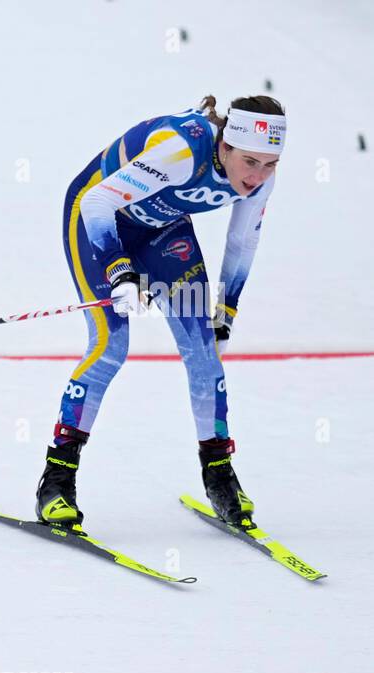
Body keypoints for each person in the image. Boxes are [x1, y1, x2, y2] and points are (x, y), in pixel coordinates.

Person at [37, 95, 285, 528]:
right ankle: (57, 480)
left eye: (270, 165)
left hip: (163, 230)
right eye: (250, 162)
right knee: (111, 346)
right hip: (96, 221)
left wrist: (226, 310)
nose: (257, 175)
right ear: (224, 145)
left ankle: (219, 476)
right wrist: (119, 269)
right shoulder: (181, 150)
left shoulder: (258, 176)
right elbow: (97, 202)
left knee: (205, 352)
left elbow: (242, 242)